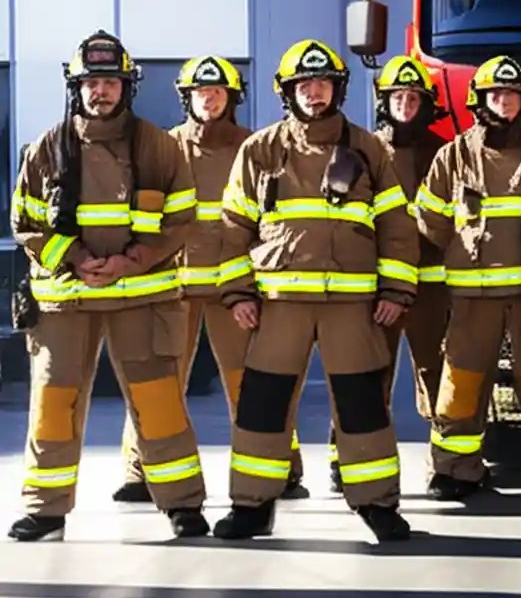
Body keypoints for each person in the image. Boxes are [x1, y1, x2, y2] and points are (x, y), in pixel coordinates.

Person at [212, 39, 418, 541]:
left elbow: (396, 226)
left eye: (322, 83)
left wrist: (395, 291)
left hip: (353, 306)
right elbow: (233, 227)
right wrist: (239, 293)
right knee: (262, 406)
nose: (314, 92)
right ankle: (252, 504)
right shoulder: (259, 150)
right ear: (288, 91)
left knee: (363, 406)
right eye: (304, 84)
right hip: (278, 307)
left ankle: (377, 504)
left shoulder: (370, 149)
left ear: (338, 89)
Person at [8, 30, 208, 541]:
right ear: (77, 87)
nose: (101, 91)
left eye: (110, 82)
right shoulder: (46, 150)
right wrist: (75, 258)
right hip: (64, 301)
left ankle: (182, 505)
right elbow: (25, 223)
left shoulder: (159, 147)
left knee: (159, 402)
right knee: (54, 405)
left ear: (127, 88)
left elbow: (181, 219)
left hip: (140, 296)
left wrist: (130, 262)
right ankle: (46, 510)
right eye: (92, 82)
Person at [112, 55, 310, 503]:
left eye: (217, 92)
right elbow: (143, 220)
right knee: (160, 380)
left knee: (255, 381)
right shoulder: (162, 148)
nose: (208, 99)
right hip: (173, 286)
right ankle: (140, 472)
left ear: (232, 98)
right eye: (201, 92)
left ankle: (281, 470)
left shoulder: (256, 148)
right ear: (187, 98)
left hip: (233, 288)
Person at [415, 55, 521, 501]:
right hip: (473, 294)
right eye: (496, 95)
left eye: (512, 96)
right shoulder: (453, 156)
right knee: (461, 380)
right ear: (479, 101)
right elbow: (430, 220)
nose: (504, 103)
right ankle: (455, 470)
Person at [326, 55, 450, 495]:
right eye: (398, 96)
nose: (406, 104)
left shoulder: (443, 151)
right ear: (384, 101)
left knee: (436, 373)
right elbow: (333, 212)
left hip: (432, 285)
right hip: (375, 287)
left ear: (426, 103)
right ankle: (347, 458)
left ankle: (446, 464)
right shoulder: (359, 149)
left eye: (414, 97)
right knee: (366, 372)